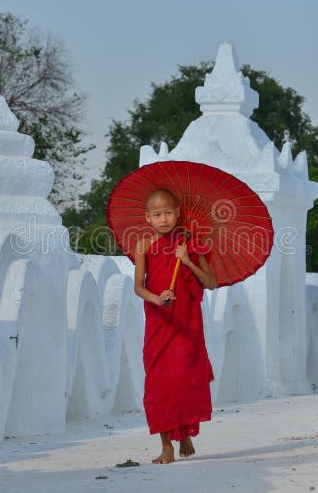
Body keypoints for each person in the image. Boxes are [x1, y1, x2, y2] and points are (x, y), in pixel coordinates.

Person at [132, 188, 218, 464]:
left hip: (186, 321)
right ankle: (166, 445)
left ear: (177, 213)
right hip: (159, 320)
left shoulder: (190, 243)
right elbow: (138, 287)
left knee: (184, 379)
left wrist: (188, 260)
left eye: (168, 212)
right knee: (159, 383)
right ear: (148, 217)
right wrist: (157, 298)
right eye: (157, 214)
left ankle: (185, 433)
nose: (164, 219)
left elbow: (211, 282)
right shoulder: (143, 246)